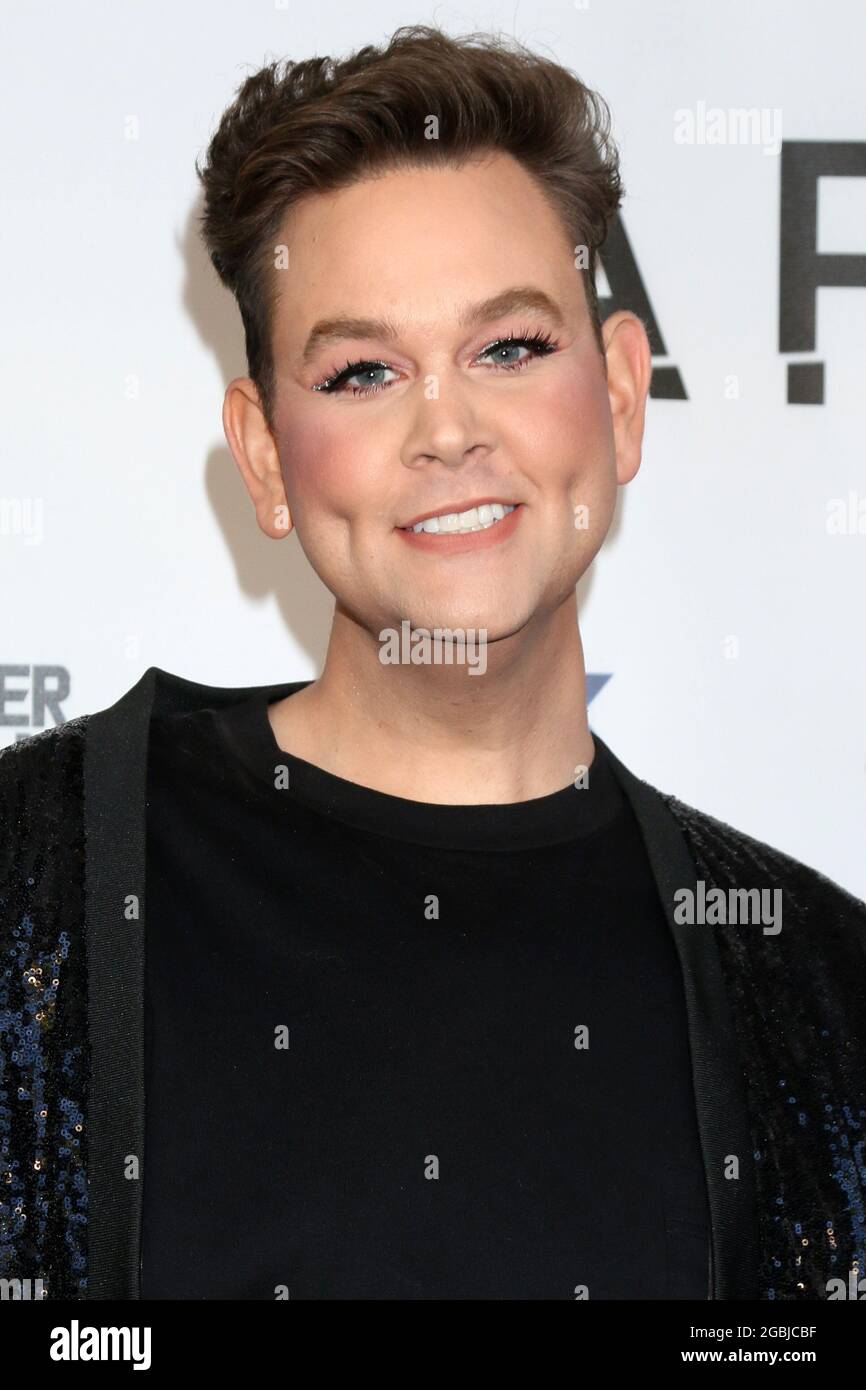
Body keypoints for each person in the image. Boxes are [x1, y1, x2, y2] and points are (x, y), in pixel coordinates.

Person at [2, 24, 864, 1304]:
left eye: (508, 347)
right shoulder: (39, 878)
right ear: (262, 460)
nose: (447, 429)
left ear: (621, 397)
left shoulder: (813, 987)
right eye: (362, 371)